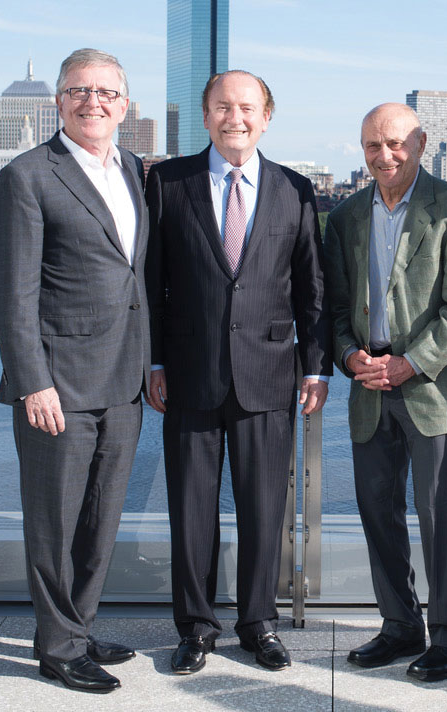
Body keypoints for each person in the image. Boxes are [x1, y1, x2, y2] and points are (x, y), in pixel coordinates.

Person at [144, 70, 331, 674]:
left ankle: (258, 624)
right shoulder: (167, 182)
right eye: (223, 107)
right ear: (206, 116)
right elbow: (151, 281)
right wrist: (154, 360)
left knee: (263, 508)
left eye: (247, 108)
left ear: (266, 117)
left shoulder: (295, 189)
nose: (236, 118)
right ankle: (196, 628)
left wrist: (317, 367)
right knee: (191, 510)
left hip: (270, 374)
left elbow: (312, 288)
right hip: (188, 373)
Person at [0, 48, 147, 694]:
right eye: (79, 91)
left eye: (106, 92)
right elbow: (12, 294)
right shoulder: (27, 176)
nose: (93, 102)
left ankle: (77, 629)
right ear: (58, 102)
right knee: (54, 524)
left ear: (124, 106)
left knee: (100, 521)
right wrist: (33, 381)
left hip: (124, 380)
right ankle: (57, 648)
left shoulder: (132, 168)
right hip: (57, 384)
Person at [324, 103, 447, 682]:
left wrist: (409, 364)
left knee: (440, 516)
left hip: (433, 389)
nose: (384, 155)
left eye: (395, 143)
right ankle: (399, 626)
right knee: (378, 513)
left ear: (420, 143)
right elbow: (335, 309)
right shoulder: (345, 216)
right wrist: (350, 356)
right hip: (368, 386)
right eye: (373, 145)